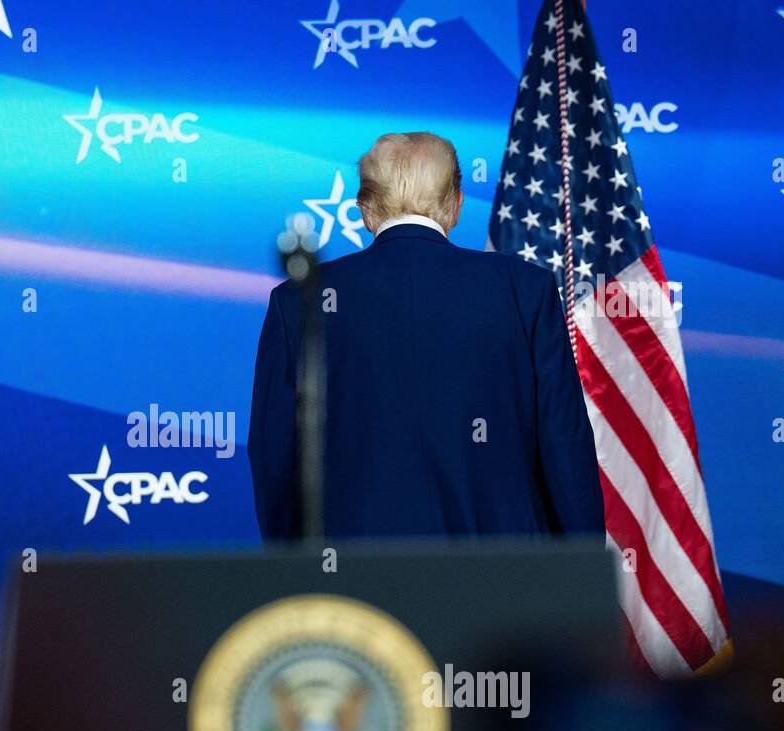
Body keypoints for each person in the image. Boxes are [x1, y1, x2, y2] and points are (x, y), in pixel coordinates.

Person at [248, 132, 604, 541]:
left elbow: (275, 456)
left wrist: (296, 570)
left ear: (365, 210)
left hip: (351, 585)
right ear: (455, 205)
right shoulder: (525, 290)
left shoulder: (298, 300)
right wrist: (583, 573)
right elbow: (564, 443)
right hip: (504, 582)